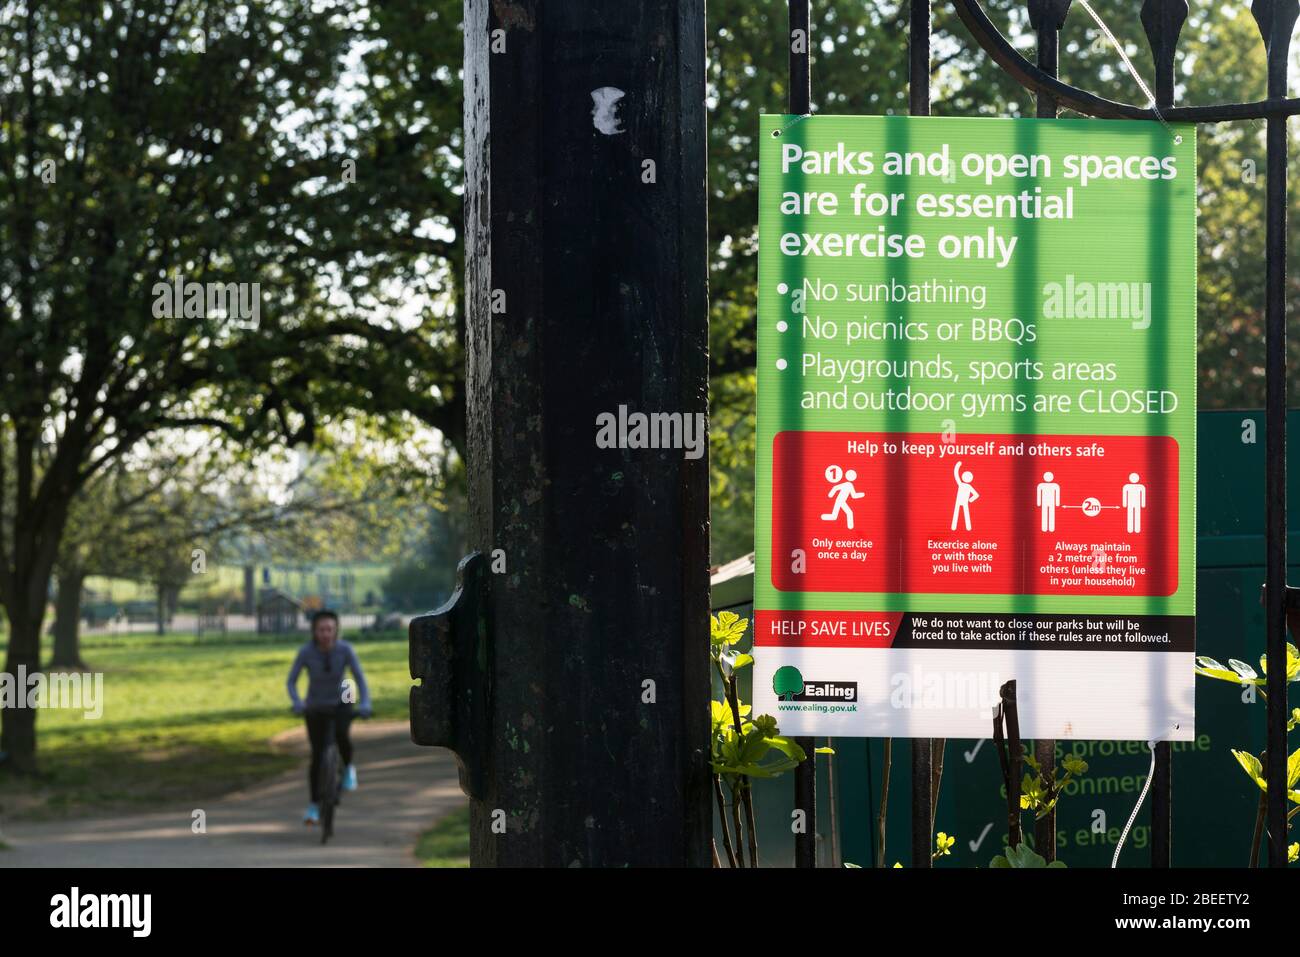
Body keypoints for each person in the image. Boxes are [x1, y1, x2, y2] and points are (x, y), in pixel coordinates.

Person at [287, 609, 372, 825]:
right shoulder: (306, 652)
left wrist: (365, 704)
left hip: (342, 700)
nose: (325, 634)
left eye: (330, 629)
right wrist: (297, 702)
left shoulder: (345, 650)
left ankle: (349, 768)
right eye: (321, 630)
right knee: (317, 756)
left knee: (342, 734)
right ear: (314, 632)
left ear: (336, 631)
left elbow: (359, 678)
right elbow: (291, 682)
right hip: (315, 706)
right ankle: (314, 806)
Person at [951, 460, 980, 532]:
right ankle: (955, 527)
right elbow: (956, 475)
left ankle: (967, 528)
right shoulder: (962, 484)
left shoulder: (963, 485)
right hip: (959, 501)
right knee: (957, 513)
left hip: (963, 502)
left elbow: (976, 495)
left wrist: (970, 500)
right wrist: (957, 466)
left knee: (963, 513)